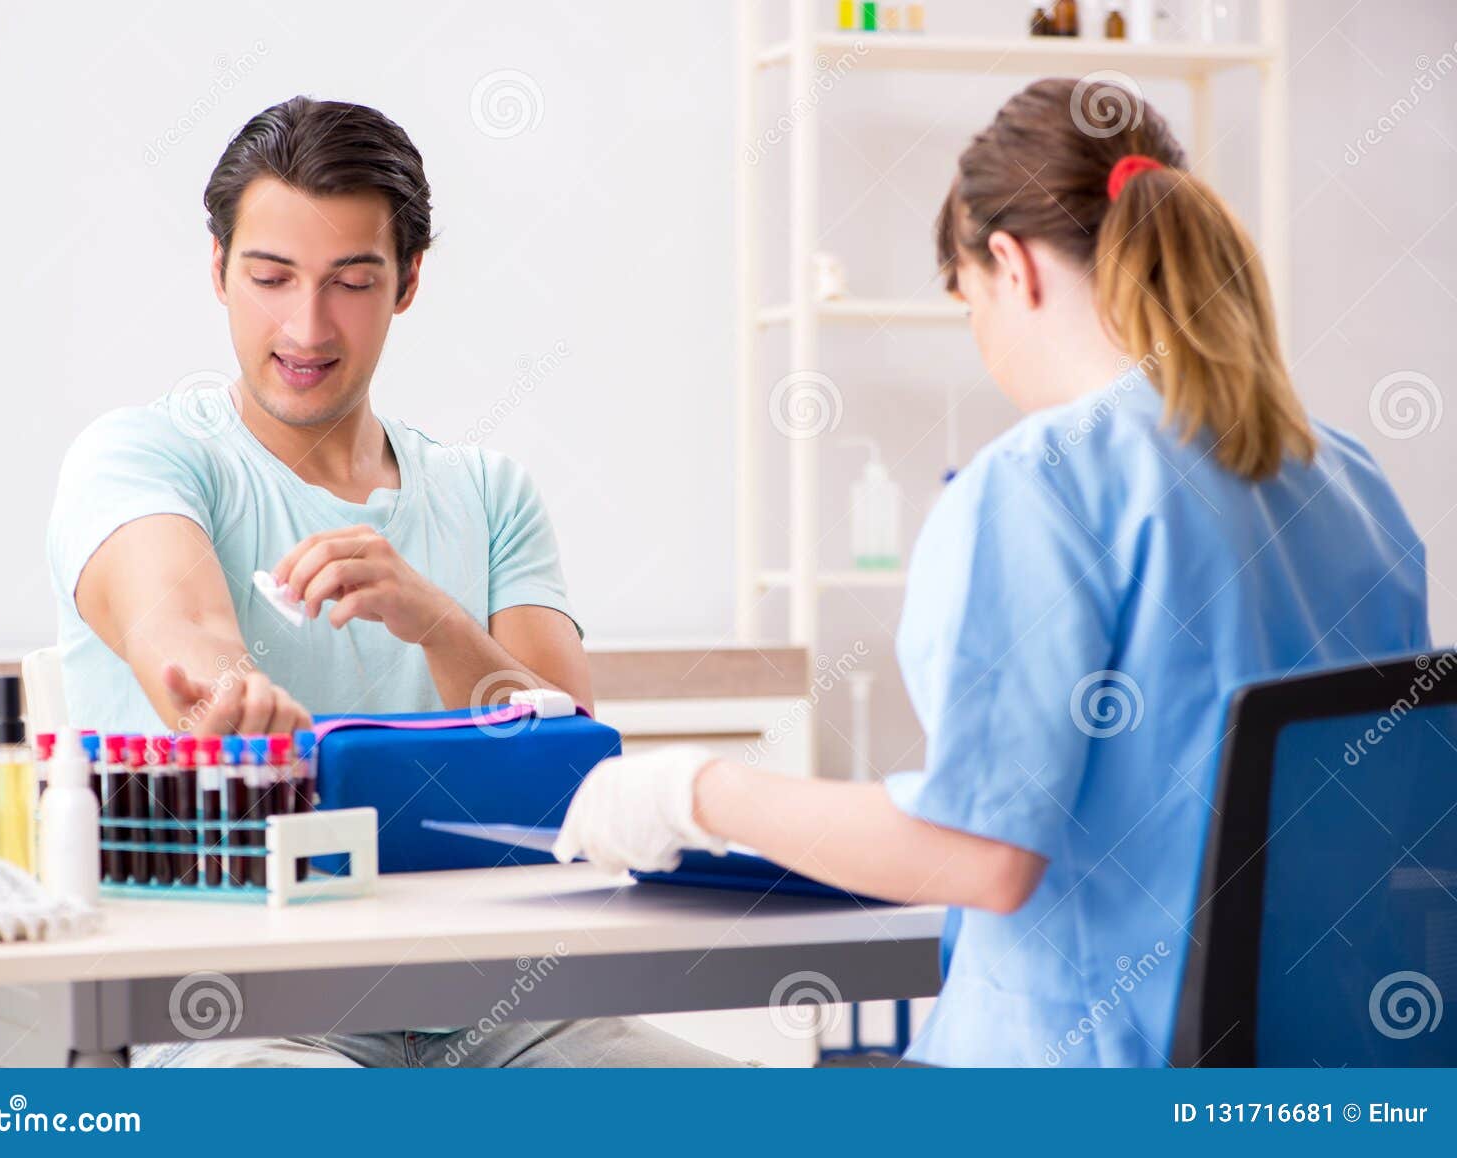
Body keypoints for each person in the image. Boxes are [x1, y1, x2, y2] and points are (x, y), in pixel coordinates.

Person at [552, 77, 1432, 1067]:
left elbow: (981, 854)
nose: (979, 339)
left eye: (965, 302)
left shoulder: (1042, 482)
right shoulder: (1347, 476)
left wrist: (688, 791)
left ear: (1007, 265)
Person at [47, 96, 731, 1068]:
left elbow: (573, 778)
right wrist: (226, 689)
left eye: (351, 282)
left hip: (509, 1008)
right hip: (244, 1014)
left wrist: (441, 625)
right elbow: (180, 622)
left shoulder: (488, 495)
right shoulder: (142, 456)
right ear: (218, 272)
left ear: (408, 281)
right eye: (271, 277)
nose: (306, 324)